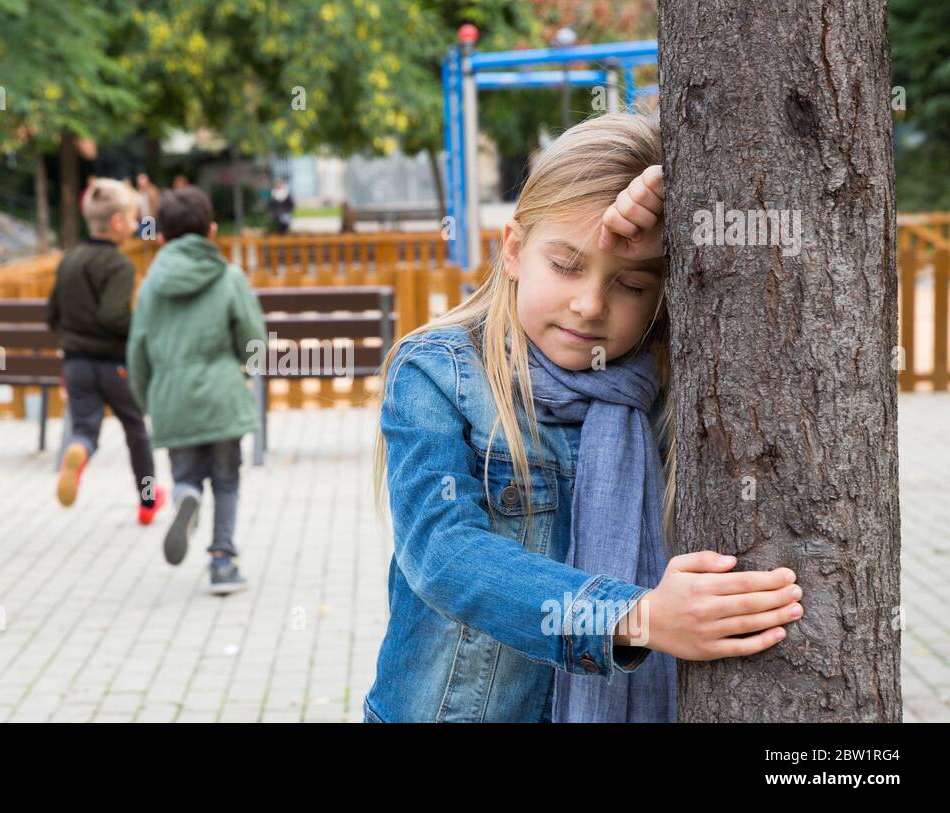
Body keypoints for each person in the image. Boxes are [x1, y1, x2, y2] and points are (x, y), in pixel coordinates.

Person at [362, 113, 805, 723]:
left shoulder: (676, 386)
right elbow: (443, 553)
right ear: (514, 250)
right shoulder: (438, 373)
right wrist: (638, 618)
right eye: (566, 266)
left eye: (630, 285)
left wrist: (678, 176)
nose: (590, 304)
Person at [127, 186, 266, 595]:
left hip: (173, 398)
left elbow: (137, 350)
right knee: (226, 479)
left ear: (163, 236)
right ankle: (222, 562)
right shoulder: (228, 276)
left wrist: (146, 399)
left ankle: (186, 497)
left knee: (186, 473)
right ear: (211, 230)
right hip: (222, 395)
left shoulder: (151, 286)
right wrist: (245, 365)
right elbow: (253, 339)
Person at [48, 178, 165, 524]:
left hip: (76, 366)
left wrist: (73, 340)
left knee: (85, 429)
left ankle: (78, 452)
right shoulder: (119, 266)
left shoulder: (69, 260)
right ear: (117, 223)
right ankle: (147, 501)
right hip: (115, 366)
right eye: (133, 219)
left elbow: (52, 314)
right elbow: (113, 316)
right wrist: (138, 334)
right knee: (136, 430)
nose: (135, 225)